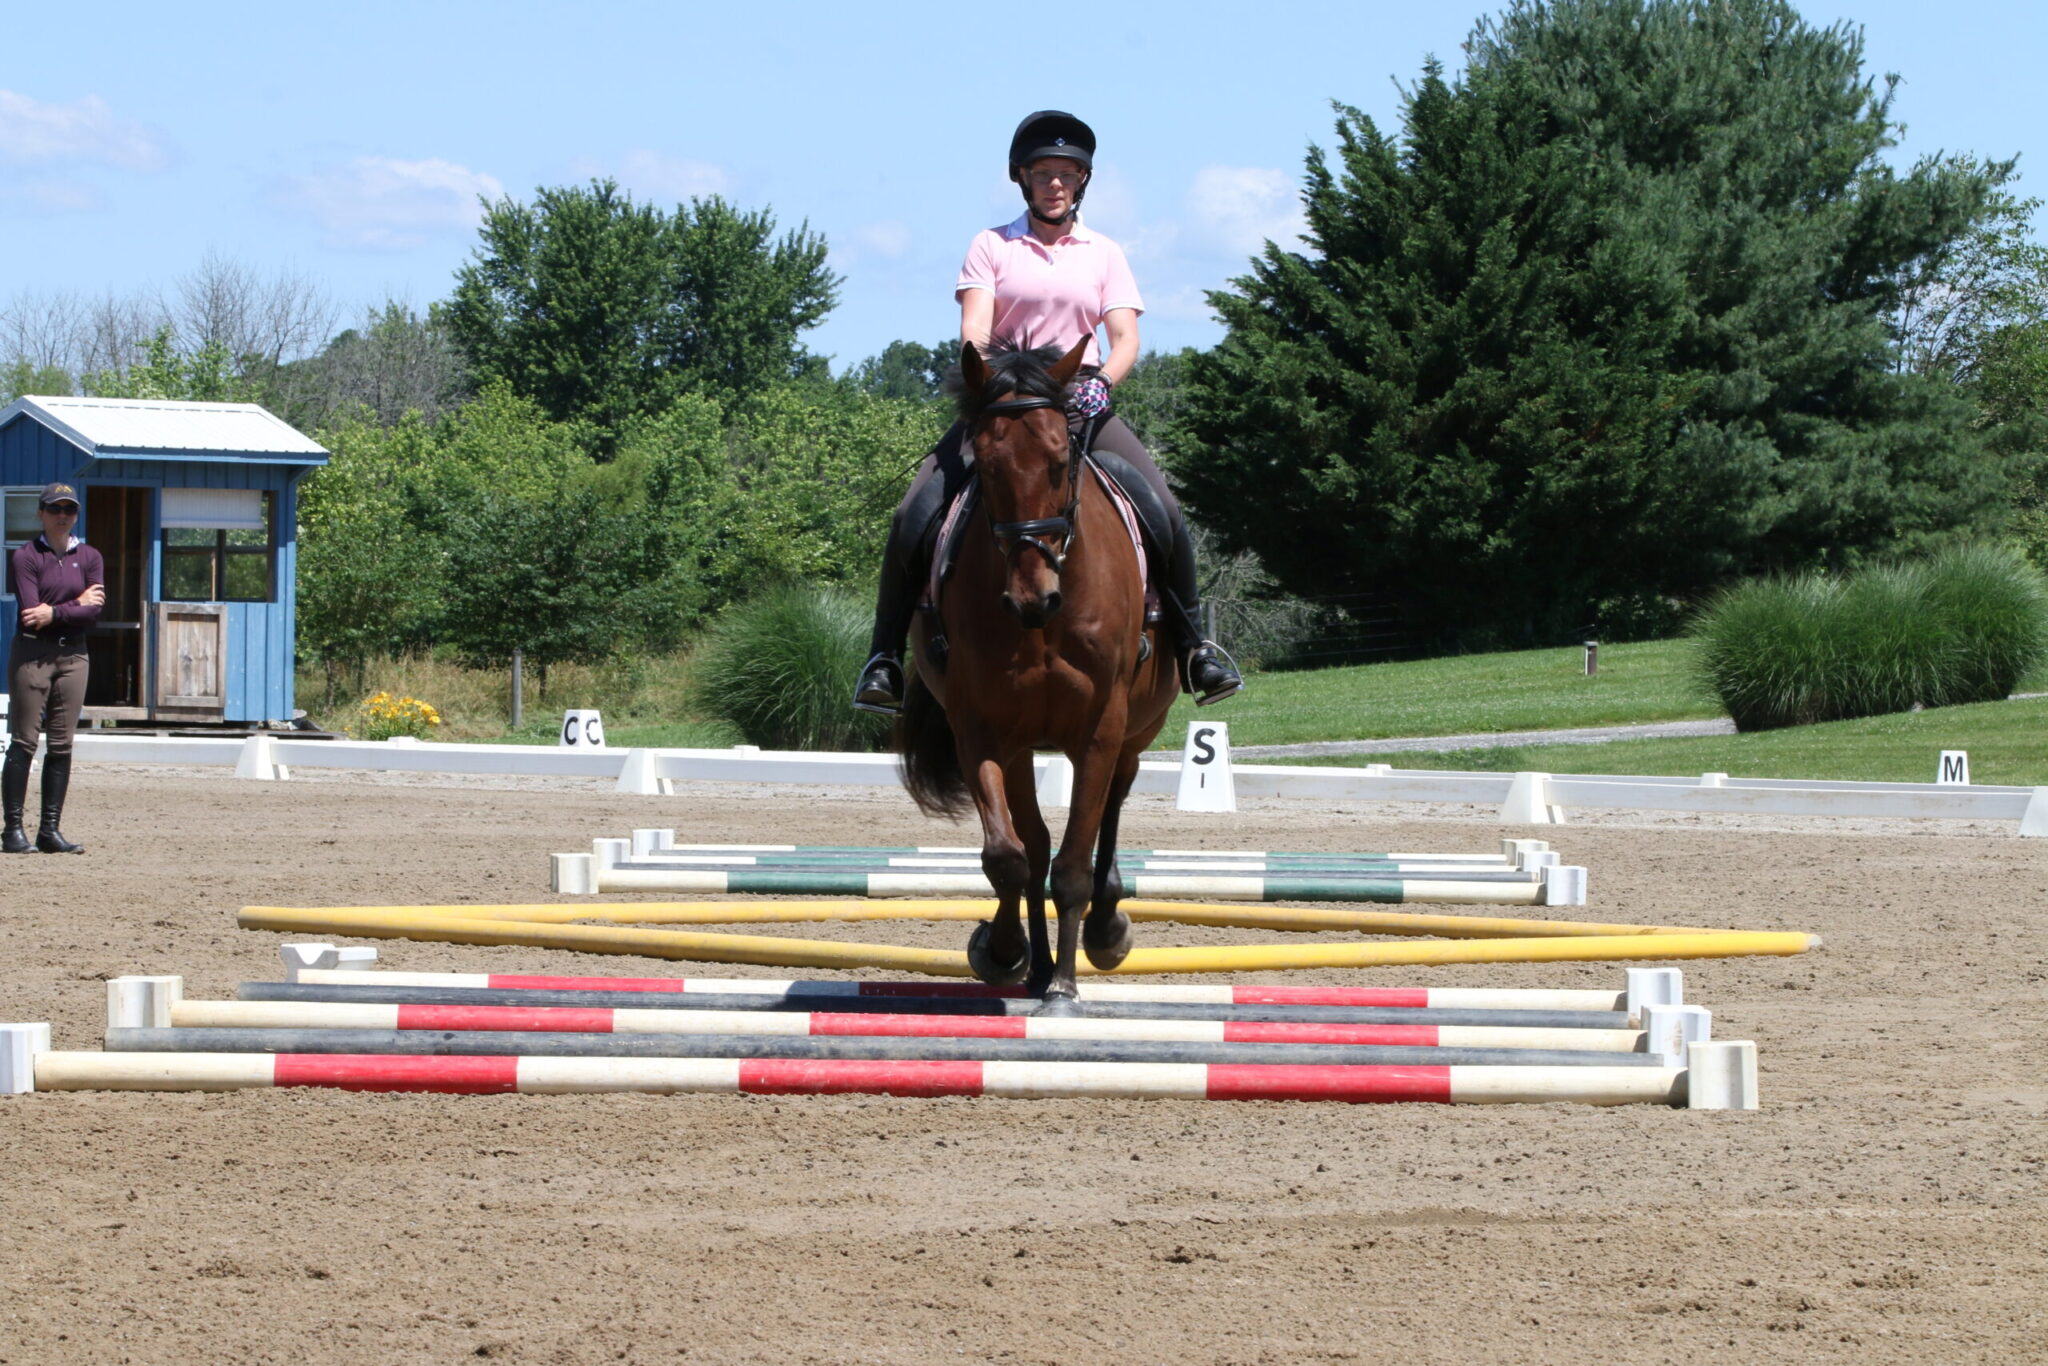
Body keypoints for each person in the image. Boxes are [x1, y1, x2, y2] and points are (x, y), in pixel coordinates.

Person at [852, 110, 1242, 716]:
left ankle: (1196, 649)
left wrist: (1101, 384)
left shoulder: (1104, 252)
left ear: (1082, 181)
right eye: (1043, 173)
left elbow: (1126, 338)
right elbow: (975, 333)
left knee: (1163, 507)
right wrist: (997, 390)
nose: (1055, 183)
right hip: (1006, 407)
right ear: (1022, 179)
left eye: (1068, 173)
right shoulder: (992, 245)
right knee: (914, 510)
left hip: (1081, 402)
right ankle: (883, 660)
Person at [4, 481, 102, 853]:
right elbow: (32, 615)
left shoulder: (90, 556)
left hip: (74, 656)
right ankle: (12, 830)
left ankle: (50, 831)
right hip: (33, 654)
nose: (63, 516)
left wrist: (57, 611)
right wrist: (76, 603)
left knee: (62, 744)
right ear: (41, 513)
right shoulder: (26, 557)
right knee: (25, 741)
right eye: (55, 509)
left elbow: (95, 611)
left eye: (69, 510)